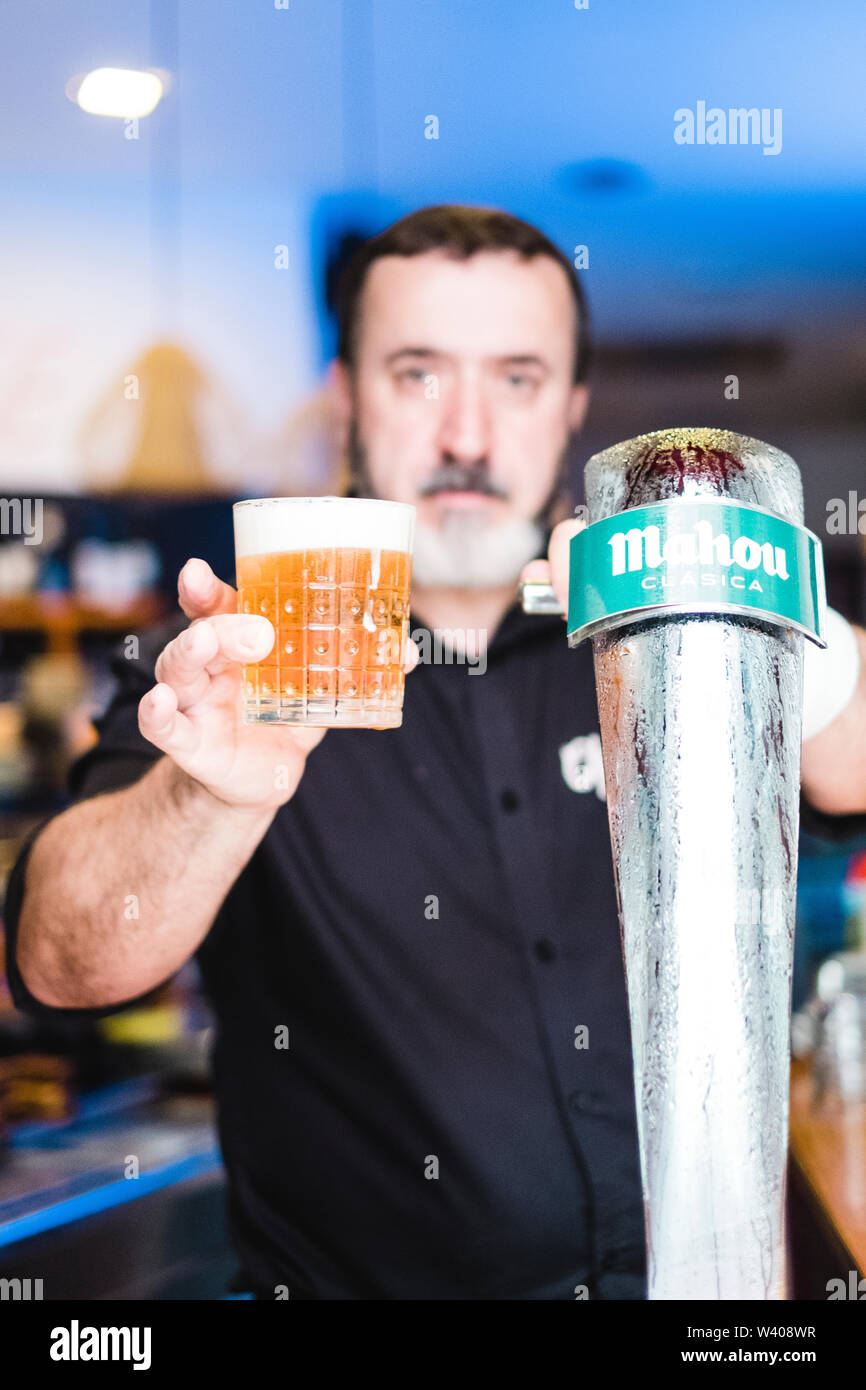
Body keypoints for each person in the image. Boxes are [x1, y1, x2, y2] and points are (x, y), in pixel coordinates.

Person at [6, 206, 866, 1301]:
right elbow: (60, 959)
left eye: (515, 377)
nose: (466, 431)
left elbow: (851, 764)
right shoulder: (236, 664)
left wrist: (748, 590)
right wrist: (203, 799)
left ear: (569, 406)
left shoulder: (656, 628)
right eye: (417, 373)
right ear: (347, 397)